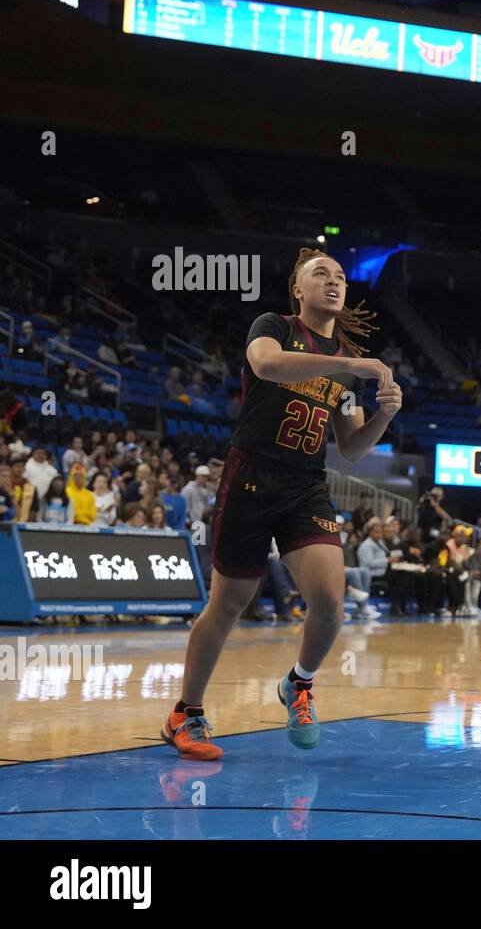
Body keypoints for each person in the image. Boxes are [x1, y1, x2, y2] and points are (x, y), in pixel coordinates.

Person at [161, 249, 402, 760]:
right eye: (321, 274)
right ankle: (187, 712)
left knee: (331, 603)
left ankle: (299, 683)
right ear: (297, 288)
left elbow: (354, 448)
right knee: (227, 604)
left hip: (305, 486)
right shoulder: (275, 326)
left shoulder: (343, 370)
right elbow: (266, 364)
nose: (334, 282)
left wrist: (382, 417)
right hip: (250, 476)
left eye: (340, 277)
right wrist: (350, 363)